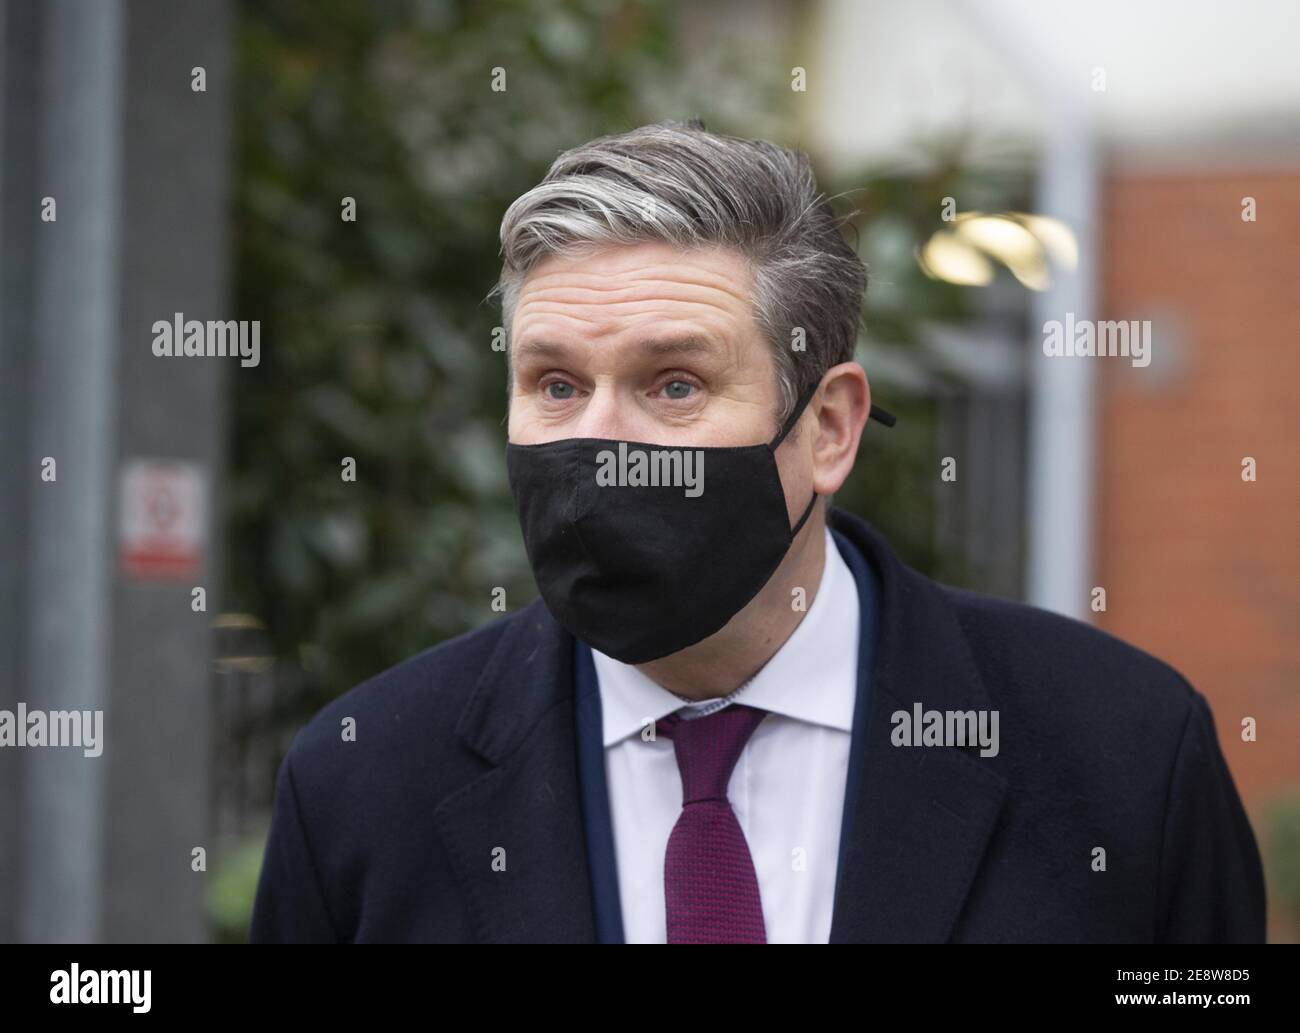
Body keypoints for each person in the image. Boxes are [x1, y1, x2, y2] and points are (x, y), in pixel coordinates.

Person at [249, 120, 1266, 943]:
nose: (600, 442)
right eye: (555, 384)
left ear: (827, 429)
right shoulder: (364, 781)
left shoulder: (1119, 753)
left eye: (674, 384)